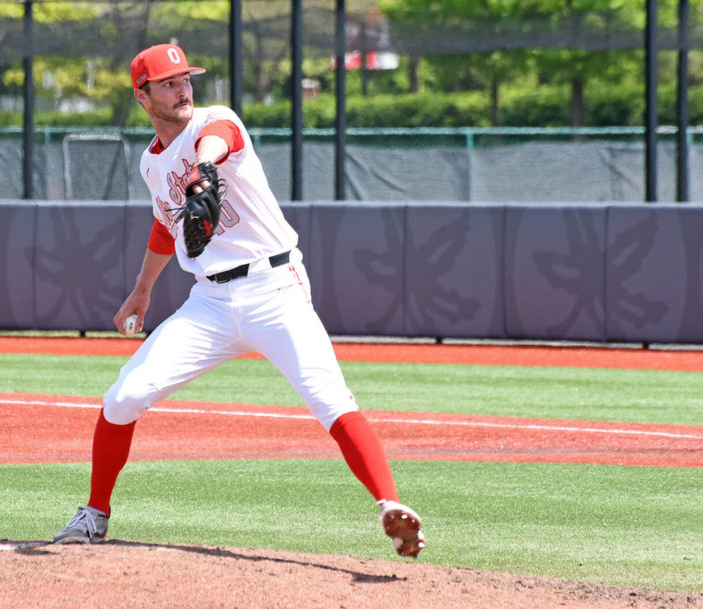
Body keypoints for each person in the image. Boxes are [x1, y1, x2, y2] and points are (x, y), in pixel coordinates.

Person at [52, 43, 425, 558]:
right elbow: (166, 225)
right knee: (123, 397)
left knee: (329, 399)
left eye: (185, 79)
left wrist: (204, 169)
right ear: (142, 95)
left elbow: (216, 140)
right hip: (208, 301)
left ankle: (391, 507)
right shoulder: (150, 164)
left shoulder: (216, 120)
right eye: (168, 83)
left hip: (275, 288)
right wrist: (142, 289)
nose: (182, 89)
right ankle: (94, 515)